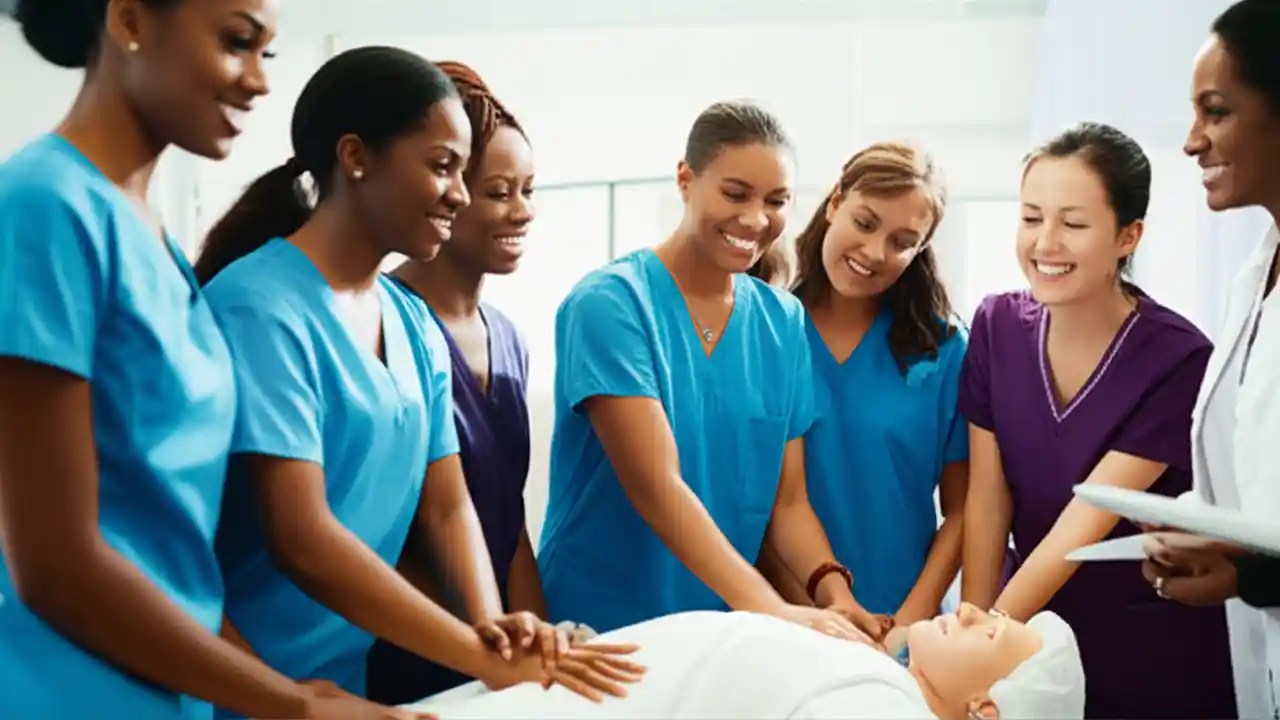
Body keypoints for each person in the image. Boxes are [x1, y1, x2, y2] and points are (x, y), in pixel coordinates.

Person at [193, 46, 641, 716]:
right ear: (355, 157)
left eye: (465, 171)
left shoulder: (410, 322)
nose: (458, 193)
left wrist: (494, 629)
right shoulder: (259, 307)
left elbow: (446, 506)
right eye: (441, 167)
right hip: (238, 684)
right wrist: (477, 655)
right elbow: (301, 539)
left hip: (347, 687)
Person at [0, 1, 417, 718]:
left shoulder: (151, 234)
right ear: (129, 19)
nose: (258, 81)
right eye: (235, 43)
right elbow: (55, 566)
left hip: (171, 692)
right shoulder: (46, 206)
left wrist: (274, 690)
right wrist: (291, 704)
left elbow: (166, 541)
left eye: (268, 54)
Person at [536, 100, 878, 641]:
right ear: (685, 180)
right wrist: (769, 607)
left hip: (713, 630)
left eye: (776, 201)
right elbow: (656, 486)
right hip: (598, 626)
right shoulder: (611, 304)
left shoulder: (781, 320)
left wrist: (834, 595)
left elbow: (787, 503)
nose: (755, 219)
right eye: (735, 193)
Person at [957, 121, 1237, 719]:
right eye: (1031, 218)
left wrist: (986, 645)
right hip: (1024, 634)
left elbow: (1082, 525)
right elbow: (986, 498)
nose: (1045, 243)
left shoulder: (1177, 359)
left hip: (1147, 654)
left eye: (1074, 224)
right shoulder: (995, 327)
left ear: (1127, 236)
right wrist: (970, 626)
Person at [368, 60, 548, 704]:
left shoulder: (509, 337)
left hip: (494, 651)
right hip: (401, 650)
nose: (522, 211)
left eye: (530, 189)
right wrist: (480, 645)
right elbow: (381, 535)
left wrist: (538, 657)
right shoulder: (381, 319)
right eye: (501, 191)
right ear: (446, 188)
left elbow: (509, 525)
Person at [756, 141, 968, 643]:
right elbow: (762, 504)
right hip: (791, 618)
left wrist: (909, 620)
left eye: (902, 241)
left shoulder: (944, 351)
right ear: (835, 203)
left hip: (905, 625)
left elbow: (963, 510)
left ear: (920, 250)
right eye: (866, 222)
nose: (874, 253)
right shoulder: (765, 332)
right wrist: (822, 614)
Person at [1139, 1, 1280, 716]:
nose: (1192, 142)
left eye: (1216, 111)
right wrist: (1196, 532)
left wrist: (1252, 578)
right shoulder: (1251, 282)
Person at [405, 604, 1086, 720]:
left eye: (990, 633)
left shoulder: (884, 708)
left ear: (985, 709)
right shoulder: (882, 681)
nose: (967, 611)